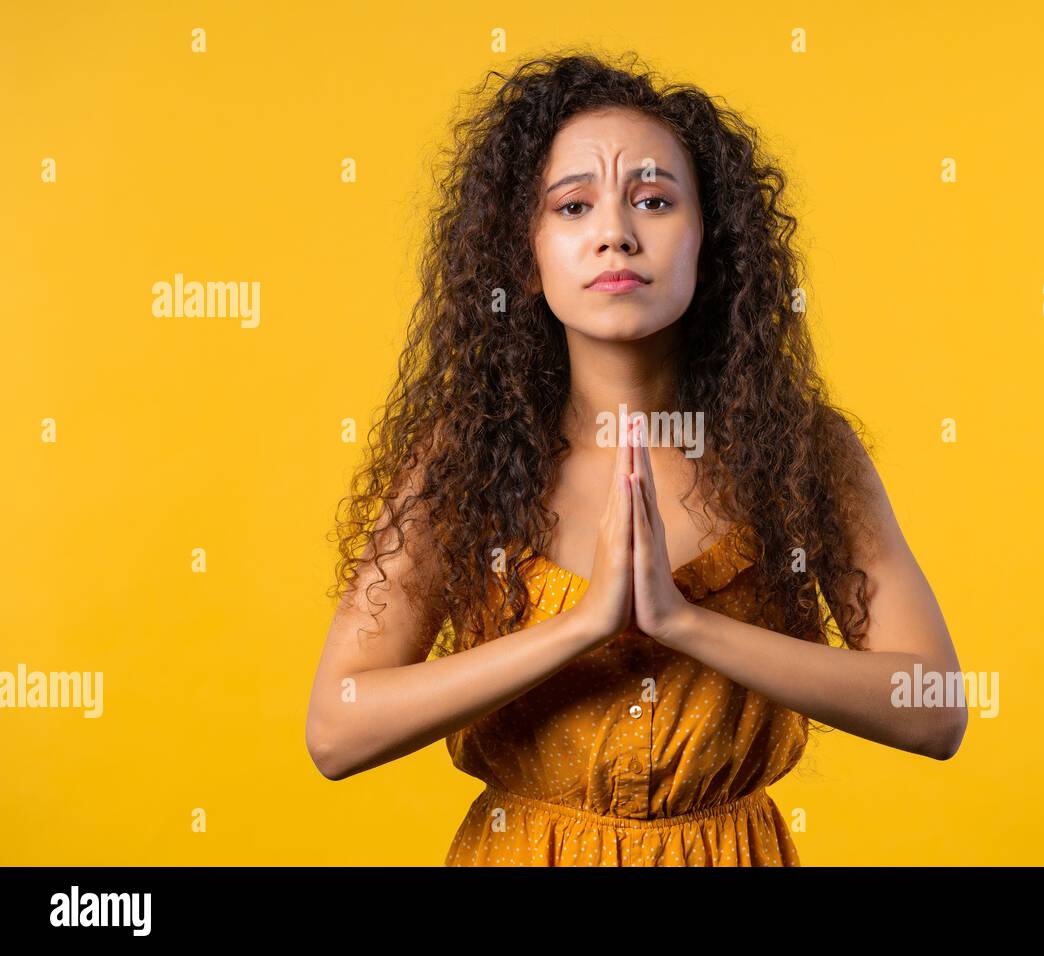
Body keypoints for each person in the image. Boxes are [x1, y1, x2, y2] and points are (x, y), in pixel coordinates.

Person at [305, 51, 966, 866]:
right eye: (574, 207)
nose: (615, 232)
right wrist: (583, 627)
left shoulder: (805, 451)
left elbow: (935, 709)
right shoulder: (464, 457)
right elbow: (336, 730)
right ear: (527, 253)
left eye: (652, 200)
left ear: (711, 241)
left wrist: (682, 622)